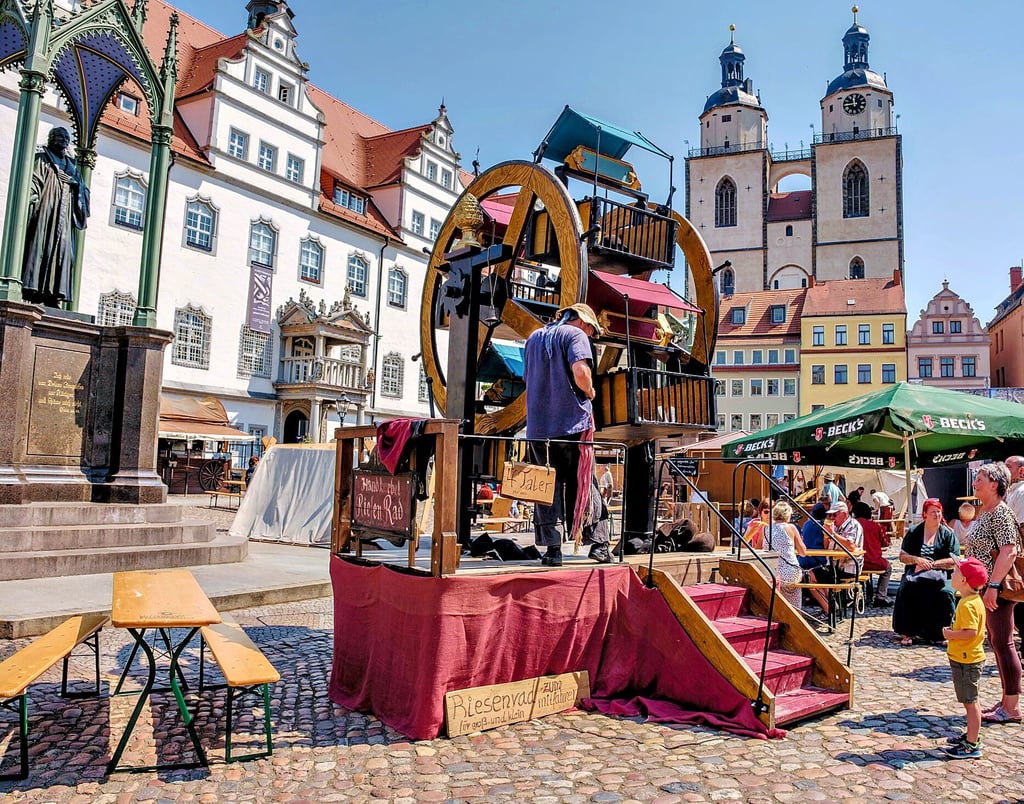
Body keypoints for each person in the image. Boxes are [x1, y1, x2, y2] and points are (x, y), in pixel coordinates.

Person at [523, 303, 608, 566]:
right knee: (585, 482)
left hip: (538, 427)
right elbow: (581, 372)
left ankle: (552, 551)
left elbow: (527, 378)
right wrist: (591, 392)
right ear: (583, 322)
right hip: (571, 423)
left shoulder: (534, 338)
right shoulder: (575, 335)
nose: (592, 336)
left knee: (545, 487)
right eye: (593, 331)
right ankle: (599, 545)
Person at [964, 463, 1021, 724]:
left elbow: (1009, 551)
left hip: (997, 589)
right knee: (997, 642)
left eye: (980, 479)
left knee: (1004, 643)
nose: (975, 483)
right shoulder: (986, 512)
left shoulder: (1000, 513)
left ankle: (1011, 706)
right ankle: (1006, 700)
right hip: (987, 587)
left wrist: (994, 587)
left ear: (995, 484)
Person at [22, 126, 91, 306]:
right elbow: (32, 185)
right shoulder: (42, 160)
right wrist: (30, 205)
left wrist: (75, 184)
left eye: (65, 138)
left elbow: (84, 193)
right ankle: (34, 292)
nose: (62, 140)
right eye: (58, 137)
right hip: (45, 213)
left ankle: (54, 295)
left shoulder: (73, 168)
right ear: (51, 139)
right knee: (41, 247)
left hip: (65, 216)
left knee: (63, 252)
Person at [892, 497, 959, 646]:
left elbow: (954, 560)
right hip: (915, 573)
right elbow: (903, 556)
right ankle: (908, 632)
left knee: (945, 593)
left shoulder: (948, 534)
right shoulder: (914, 532)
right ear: (925, 514)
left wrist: (932, 564)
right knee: (907, 589)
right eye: (933, 512)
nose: (937, 515)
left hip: (942, 574)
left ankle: (943, 632)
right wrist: (917, 560)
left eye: (939, 511)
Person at [941, 556, 990, 760]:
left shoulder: (968, 605)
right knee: (969, 701)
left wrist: (951, 635)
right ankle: (971, 735)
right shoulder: (970, 600)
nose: (953, 573)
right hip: (965, 655)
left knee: (970, 702)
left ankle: (972, 744)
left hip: (967, 659)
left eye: (957, 572)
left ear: (964, 581)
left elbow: (970, 632)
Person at [764, 501, 811, 609]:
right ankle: (795, 614)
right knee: (793, 596)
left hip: (772, 572)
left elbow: (760, 549)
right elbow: (803, 553)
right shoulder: (791, 528)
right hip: (790, 573)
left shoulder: (766, 529)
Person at [852, 500, 893, 607]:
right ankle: (880, 596)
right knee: (888, 569)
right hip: (874, 560)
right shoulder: (876, 526)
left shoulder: (852, 525)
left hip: (855, 562)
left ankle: (854, 597)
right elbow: (886, 542)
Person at [798, 500, 832, 613]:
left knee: (817, 580)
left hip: (804, 560)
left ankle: (829, 605)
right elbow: (826, 545)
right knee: (825, 578)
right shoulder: (822, 526)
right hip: (818, 560)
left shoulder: (806, 524)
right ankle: (829, 606)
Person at [825, 500, 863, 582]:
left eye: (834, 515)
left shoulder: (853, 525)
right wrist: (826, 535)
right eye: (830, 515)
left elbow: (851, 546)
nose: (832, 518)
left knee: (816, 577)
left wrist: (833, 534)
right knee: (809, 575)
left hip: (848, 568)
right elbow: (826, 547)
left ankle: (827, 595)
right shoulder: (834, 526)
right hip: (834, 566)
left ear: (844, 514)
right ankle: (826, 595)